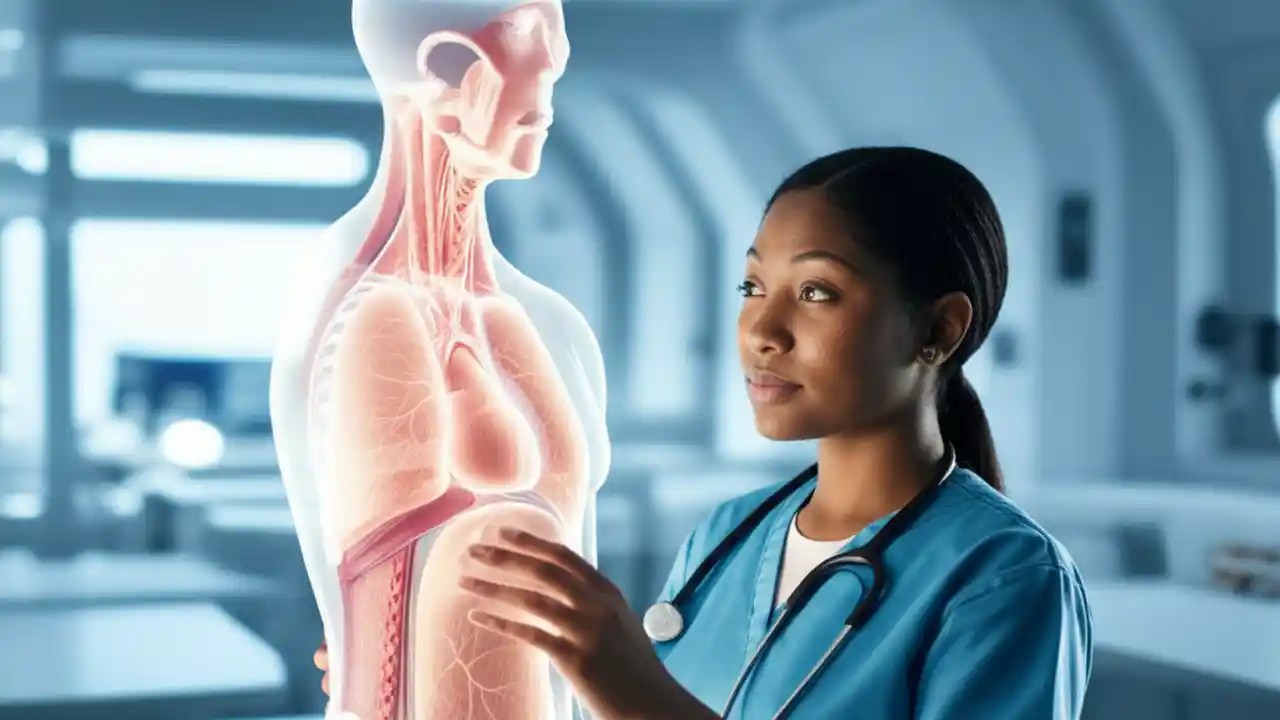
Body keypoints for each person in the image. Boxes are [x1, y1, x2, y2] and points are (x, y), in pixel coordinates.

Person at [315, 146, 1094, 718]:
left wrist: (632, 689)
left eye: (817, 291)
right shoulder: (728, 537)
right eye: (752, 284)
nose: (762, 328)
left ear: (938, 329)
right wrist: (437, 685)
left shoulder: (1005, 579)